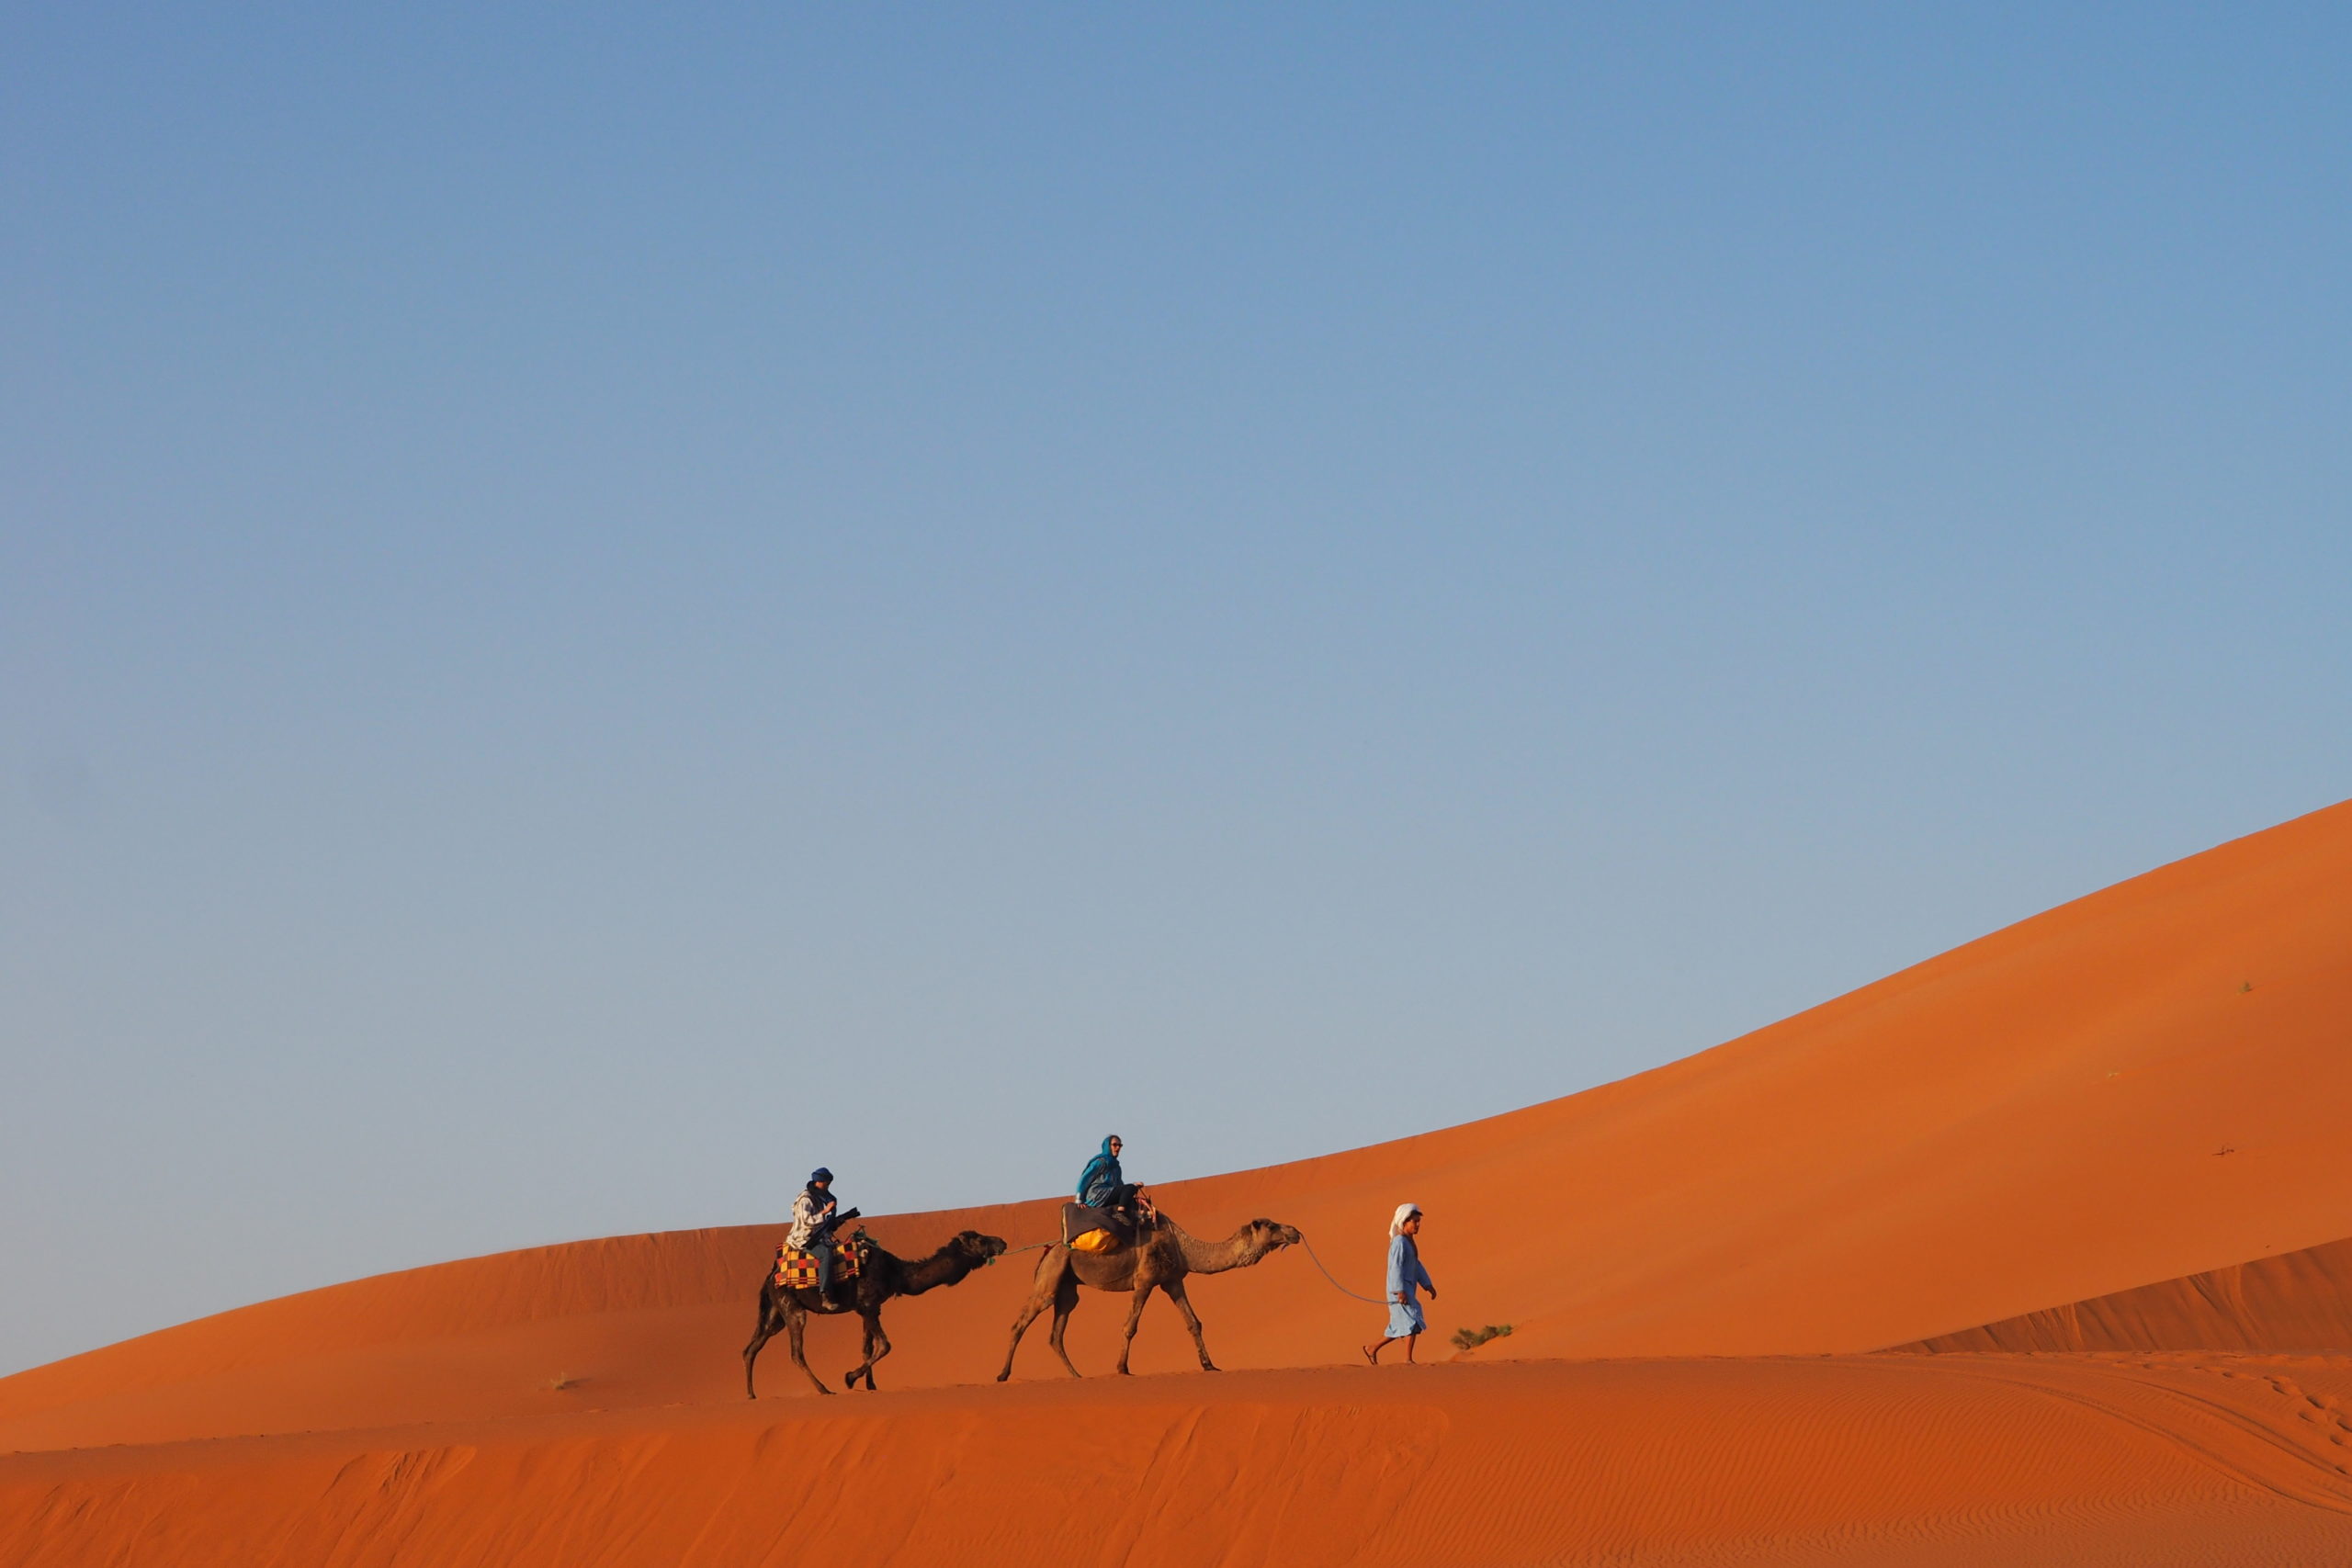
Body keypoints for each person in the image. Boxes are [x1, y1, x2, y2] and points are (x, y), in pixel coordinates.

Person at [1363, 1202, 1436, 1364]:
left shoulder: (1408, 1242)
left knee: (1401, 1324)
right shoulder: (1399, 1242)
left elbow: (1416, 1265)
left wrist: (1427, 1285)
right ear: (1404, 1222)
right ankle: (1408, 1359)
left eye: (1418, 1222)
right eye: (1414, 1221)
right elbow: (1395, 1267)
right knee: (1412, 1321)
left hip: (1407, 1288)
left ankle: (1372, 1348)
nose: (1417, 1225)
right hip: (1400, 1290)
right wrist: (1399, 1291)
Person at [787, 1168, 860, 1306]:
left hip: (818, 1237)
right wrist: (826, 1211)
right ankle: (825, 1294)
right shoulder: (805, 1199)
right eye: (827, 1184)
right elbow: (807, 1222)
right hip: (805, 1239)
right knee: (825, 1254)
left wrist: (839, 1219)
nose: (828, 1187)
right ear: (819, 1182)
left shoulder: (818, 1198)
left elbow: (821, 1224)